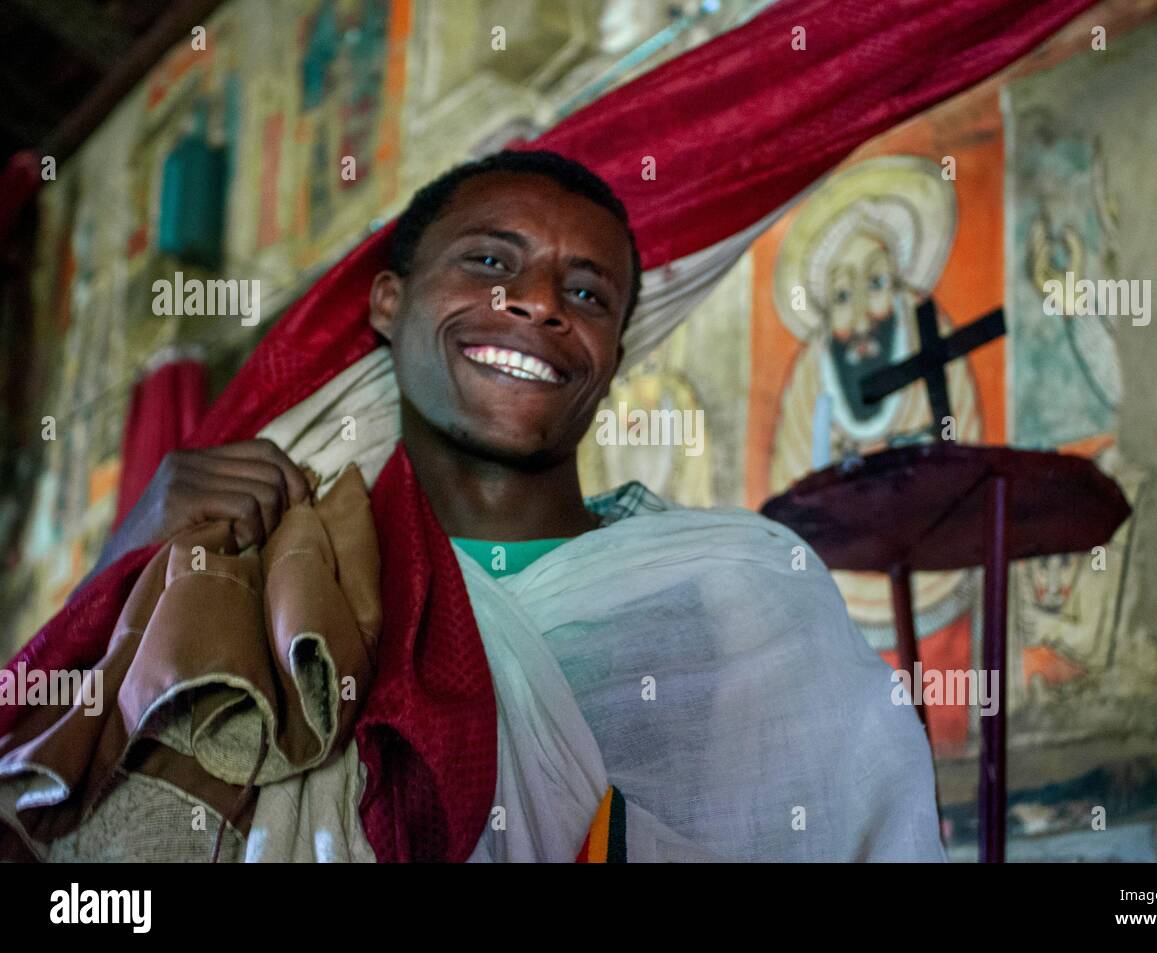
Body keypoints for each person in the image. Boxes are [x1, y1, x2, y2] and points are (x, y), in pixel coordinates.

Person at [6, 150, 945, 862]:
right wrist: (121, 562)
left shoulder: (733, 593)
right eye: (491, 261)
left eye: (586, 291)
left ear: (613, 355)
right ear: (388, 302)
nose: (538, 303)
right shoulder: (283, 572)